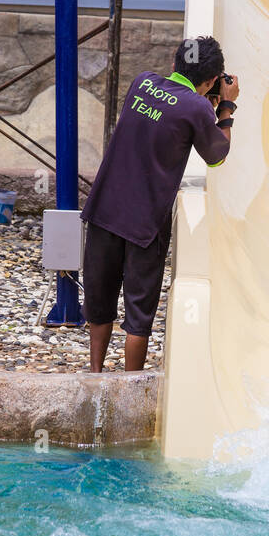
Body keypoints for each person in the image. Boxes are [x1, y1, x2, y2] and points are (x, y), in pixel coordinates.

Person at [80, 36, 239, 372]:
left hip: (105, 209)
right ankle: (131, 386)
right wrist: (226, 108)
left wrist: (204, 98)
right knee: (138, 315)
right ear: (212, 80)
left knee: (100, 300)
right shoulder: (198, 108)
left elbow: (166, 115)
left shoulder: (142, 83)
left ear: (173, 61)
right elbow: (217, 156)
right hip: (145, 224)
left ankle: (95, 374)